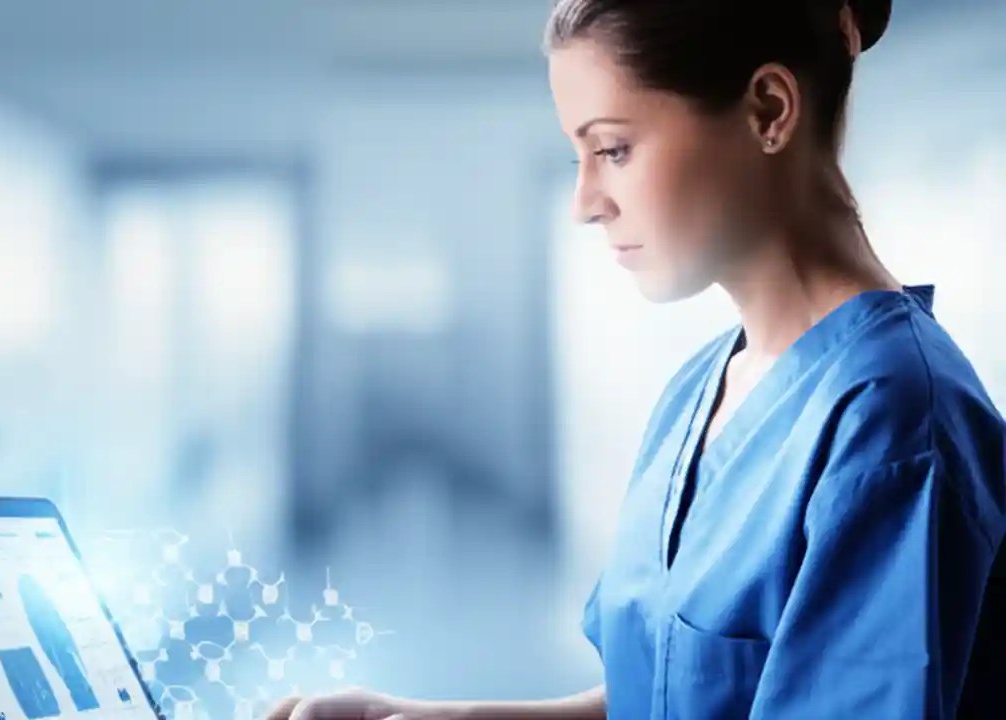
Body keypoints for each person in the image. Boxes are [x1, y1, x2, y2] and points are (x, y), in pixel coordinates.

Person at [265, 0, 1006, 717]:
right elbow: (664, 696)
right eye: (580, 157)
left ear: (768, 110)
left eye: (613, 150)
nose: (586, 202)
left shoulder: (895, 424)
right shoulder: (702, 390)